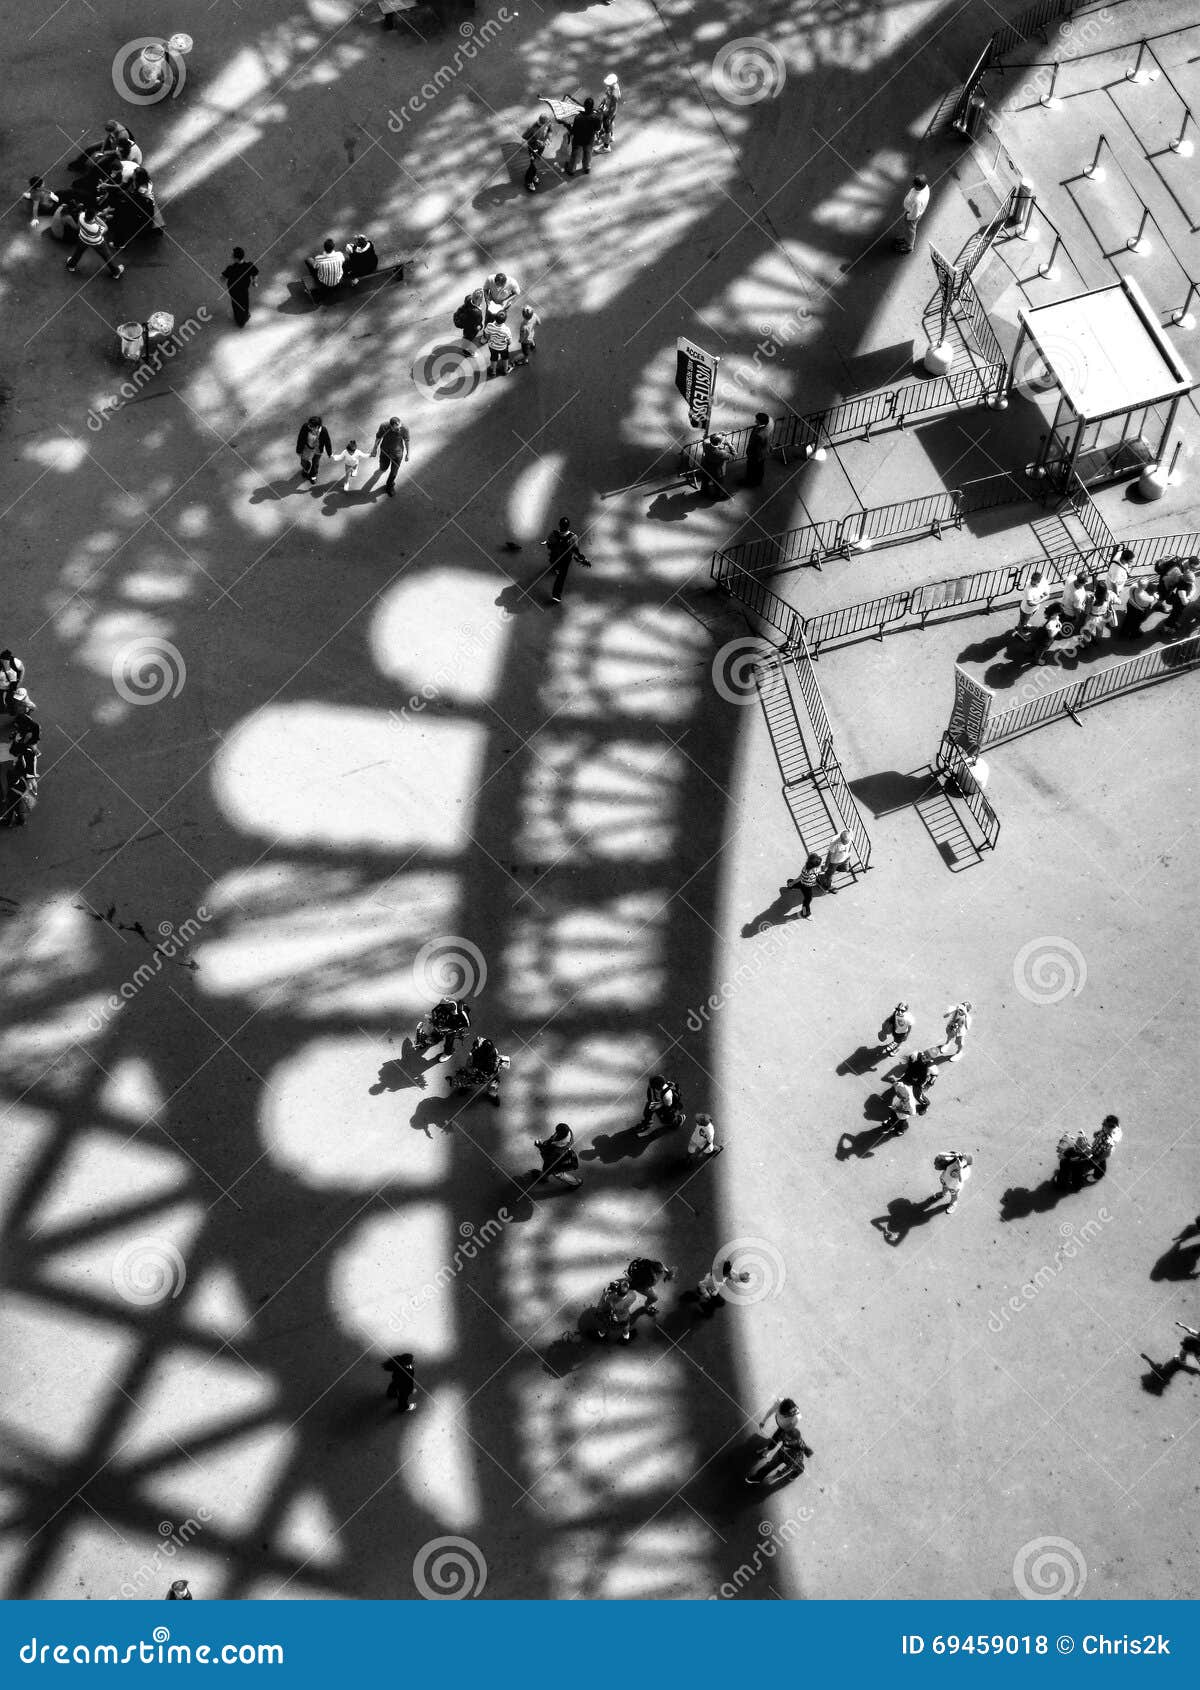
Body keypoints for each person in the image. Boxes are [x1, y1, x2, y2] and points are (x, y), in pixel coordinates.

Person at [542, 516, 591, 605]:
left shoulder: (553, 534)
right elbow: (575, 550)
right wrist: (581, 558)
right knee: (561, 577)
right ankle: (556, 595)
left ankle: (555, 568)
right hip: (565, 560)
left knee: (555, 564)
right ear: (568, 526)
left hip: (554, 557)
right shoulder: (573, 537)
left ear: (559, 525)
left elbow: (549, 545)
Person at [65, 207, 123, 279]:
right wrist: (97, 218)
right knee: (106, 256)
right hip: (97, 242)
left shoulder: (81, 215)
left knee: (78, 252)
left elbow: (80, 225)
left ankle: (71, 266)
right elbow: (106, 228)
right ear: (94, 216)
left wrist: (95, 217)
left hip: (83, 238)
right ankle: (116, 272)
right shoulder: (95, 228)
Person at [451, 1035, 509, 1103]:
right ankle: (465, 1087)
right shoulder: (474, 1056)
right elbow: (468, 1067)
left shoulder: (492, 1052)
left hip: (491, 1074)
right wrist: (472, 1070)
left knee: (493, 1086)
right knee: (464, 1077)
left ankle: (492, 1095)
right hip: (476, 1072)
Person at [594, 1276, 643, 1343]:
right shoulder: (633, 1295)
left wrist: (604, 1294)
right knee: (626, 1325)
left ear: (617, 1291)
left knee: (606, 1325)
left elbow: (602, 1306)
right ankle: (626, 1337)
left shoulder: (610, 1299)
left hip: (613, 1316)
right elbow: (626, 1288)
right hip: (624, 1316)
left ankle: (600, 1335)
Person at [532, 1123, 581, 1189]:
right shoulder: (568, 1133)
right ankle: (543, 1177)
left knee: (557, 1173)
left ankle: (575, 1182)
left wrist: (539, 1145)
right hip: (559, 1156)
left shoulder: (557, 1148)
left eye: (557, 1132)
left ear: (561, 1134)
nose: (555, 1133)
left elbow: (548, 1156)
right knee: (547, 1166)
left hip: (557, 1160)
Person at [371, 416, 410, 496]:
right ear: (391, 426)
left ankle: (389, 485)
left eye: (399, 427)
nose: (398, 429)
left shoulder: (404, 428)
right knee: (383, 467)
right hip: (385, 452)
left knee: (394, 472)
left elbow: (406, 441)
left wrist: (408, 453)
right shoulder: (384, 427)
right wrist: (374, 449)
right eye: (396, 429)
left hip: (397, 454)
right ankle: (383, 467)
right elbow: (378, 438)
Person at [221, 247, 259, 327]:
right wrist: (254, 281)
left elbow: (222, 279)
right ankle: (245, 317)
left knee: (236, 305)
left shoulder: (231, 268)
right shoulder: (249, 265)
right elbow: (255, 273)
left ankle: (239, 321)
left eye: (232, 255)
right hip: (244, 290)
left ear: (236, 258)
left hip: (233, 291)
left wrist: (221, 276)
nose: (231, 256)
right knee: (245, 303)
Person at [894, 173, 930, 253]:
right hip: (912, 211)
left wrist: (908, 216)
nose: (912, 185)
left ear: (918, 187)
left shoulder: (918, 200)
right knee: (908, 229)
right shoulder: (925, 187)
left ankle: (909, 246)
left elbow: (914, 214)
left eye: (914, 184)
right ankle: (906, 238)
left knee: (910, 229)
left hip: (912, 215)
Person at [567, 97, 602, 175]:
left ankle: (571, 170)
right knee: (588, 153)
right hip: (589, 140)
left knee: (575, 155)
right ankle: (586, 168)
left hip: (578, 139)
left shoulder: (578, 117)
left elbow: (574, 130)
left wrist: (568, 127)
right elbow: (598, 128)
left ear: (584, 106)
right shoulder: (596, 117)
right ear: (592, 107)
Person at [1077, 578, 1116, 645]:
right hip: (1102, 618)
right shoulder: (1108, 596)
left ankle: (1085, 644)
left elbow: (1087, 611)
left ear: (1097, 589)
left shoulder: (1091, 598)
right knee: (1099, 631)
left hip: (1091, 618)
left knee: (1087, 632)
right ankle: (1097, 641)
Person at [295, 415, 332, 484]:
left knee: (315, 463)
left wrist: (329, 452)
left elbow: (327, 441)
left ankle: (313, 476)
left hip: (318, 449)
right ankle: (306, 469)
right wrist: (299, 450)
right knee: (304, 462)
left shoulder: (323, 430)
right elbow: (300, 438)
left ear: (317, 426)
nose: (309, 427)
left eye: (311, 426)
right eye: (309, 425)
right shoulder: (305, 427)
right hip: (307, 448)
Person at [785, 851, 822, 918]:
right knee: (807, 901)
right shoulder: (807, 871)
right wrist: (793, 883)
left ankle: (790, 884)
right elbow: (800, 877)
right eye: (819, 864)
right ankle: (805, 913)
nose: (820, 865)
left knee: (797, 884)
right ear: (814, 866)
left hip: (805, 883)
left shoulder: (813, 867)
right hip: (807, 886)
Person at [1015, 569, 1050, 639]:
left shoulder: (1042, 582)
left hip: (1034, 608)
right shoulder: (1028, 589)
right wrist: (1040, 601)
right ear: (1031, 579)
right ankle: (1020, 632)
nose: (1032, 584)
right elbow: (1030, 603)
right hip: (1026, 610)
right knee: (1022, 621)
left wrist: (1042, 597)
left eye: (1034, 584)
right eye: (1031, 582)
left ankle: (1024, 625)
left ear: (1039, 581)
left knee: (1026, 619)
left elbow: (1046, 593)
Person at [523, 113, 553, 192]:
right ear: (542, 122)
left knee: (536, 163)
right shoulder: (532, 128)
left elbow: (550, 130)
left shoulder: (548, 123)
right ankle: (528, 181)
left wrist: (548, 138)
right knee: (533, 164)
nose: (548, 123)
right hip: (533, 148)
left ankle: (533, 175)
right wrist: (536, 141)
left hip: (541, 147)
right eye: (546, 122)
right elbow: (525, 137)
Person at [698, 432, 733, 500]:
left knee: (705, 481)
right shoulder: (721, 453)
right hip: (717, 471)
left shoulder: (706, 445)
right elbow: (733, 455)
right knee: (718, 484)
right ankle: (718, 496)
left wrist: (718, 434)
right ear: (719, 443)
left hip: (706, 466)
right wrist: (730, 444)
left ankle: (704, 492)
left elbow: (705, 439)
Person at [1054, 1130, 1091, 1194]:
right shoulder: (1087, 1150)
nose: (1076, 1141)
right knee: (1078, 1176)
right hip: (1080, 1165)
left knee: (1064, 1174)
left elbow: (1061, 1156)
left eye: (1078, 1141)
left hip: (1069, 1164)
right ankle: (1077, 1187)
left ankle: (1061, 1186)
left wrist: (1066, 1139)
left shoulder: (1071, 1150)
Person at [1087, 1114, 1122, 1181]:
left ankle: (1097, 1176)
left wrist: (1098, 1159)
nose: (1103, 1126)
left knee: (1101, 1165)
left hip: (1100, 1153)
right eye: (1104, 1124)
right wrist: (1098, 1133)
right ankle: (1092, 1162)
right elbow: (1102, 1130)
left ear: (1112, 1128)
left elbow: (1107, 1153)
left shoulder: (1110, 1140)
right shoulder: (1106, 1129)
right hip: (1096, 1147)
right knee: (1092, 1158)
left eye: (1105, 1125)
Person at [745, 413, 772, 488]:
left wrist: (750, 454)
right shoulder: (766, 428)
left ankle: (751, 482)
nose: (755, 421)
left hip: (756, 455)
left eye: (757, 420)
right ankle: (756, 481)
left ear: (760, 421)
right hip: (760, 455)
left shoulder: (760, 434)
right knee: (759, 468)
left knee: (753, 468)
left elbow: (756, 446)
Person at [597, 74, 622, 151]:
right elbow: (607, 97)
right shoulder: (613, 86)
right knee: (611, 123)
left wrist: (607, 115)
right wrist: (603, 103)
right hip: (610, 111)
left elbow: (612, 107)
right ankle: (611, 136)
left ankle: (606, 147)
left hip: (609, 113)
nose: (607, 84)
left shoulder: (614, 94)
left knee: (607, 129)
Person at [485, 309, 512, 377]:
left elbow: (487, 335)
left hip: (492, 346)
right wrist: (507, 343)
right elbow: (509, 341)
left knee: (494, 358)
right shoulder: (506, 330)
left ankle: (493, 372)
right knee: (505, 358)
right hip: (503, 347)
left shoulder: (489, 325)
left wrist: (490, 340)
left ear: (495, 318)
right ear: (504, 320)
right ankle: (505, 370)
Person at [0, 651, 26, 715]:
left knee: (10, 699)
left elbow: (22, 669)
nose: (6, 663)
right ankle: (2, 709)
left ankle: (13, 710)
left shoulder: (15, 661)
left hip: (12, 685)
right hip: (1, 686)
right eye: (4, 661)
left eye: (7, 661)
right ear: (1, 660)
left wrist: (20, 681)